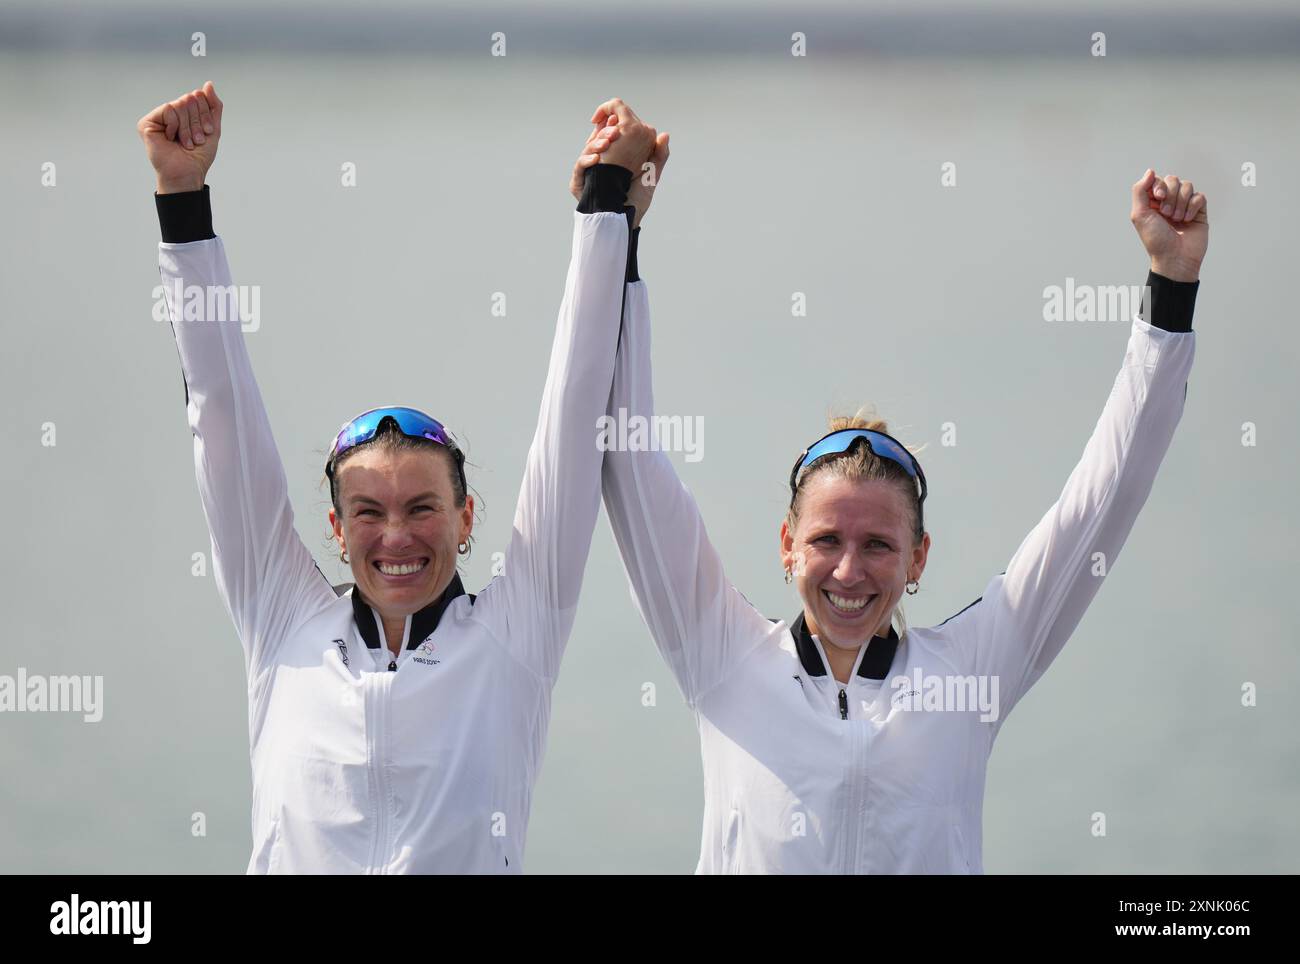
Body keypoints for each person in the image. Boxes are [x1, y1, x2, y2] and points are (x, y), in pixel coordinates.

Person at [594, 133, 1206, 873]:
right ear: (786, 543)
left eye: (878, 545)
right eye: (826, 540)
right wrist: (614, 228)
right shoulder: (720, 655)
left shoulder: (975, 669)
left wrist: (1170, 288)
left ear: (918, 556)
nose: (849, 571)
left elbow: (1105, 497)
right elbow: (626, 460)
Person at [139, 82, 662, 873]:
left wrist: (604, 209)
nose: (396, 537)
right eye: (368, 513)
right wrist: (182, 197)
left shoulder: (515, 635)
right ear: (336, 529)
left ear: (465, 517)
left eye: (422, 507)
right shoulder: (282, 621)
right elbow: (221, 419)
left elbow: (576, 408)